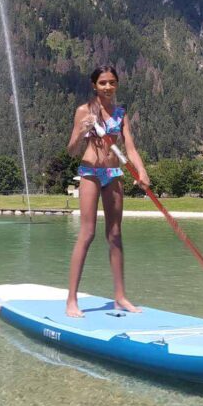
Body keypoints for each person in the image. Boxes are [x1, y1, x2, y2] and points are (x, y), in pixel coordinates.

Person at [65, 65, 150, 318]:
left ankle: (120, 297)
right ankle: (71, 300)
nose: (108, 87)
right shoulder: (84, 111)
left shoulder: (121, 113)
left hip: (114, 174)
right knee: (87, 233)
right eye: (103, 83)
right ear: (94, 85)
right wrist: (82, 131)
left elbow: (130, 148)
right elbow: (70, 149)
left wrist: (142, 171)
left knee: (115, 234)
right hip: (90, 172)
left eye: (112, 82)